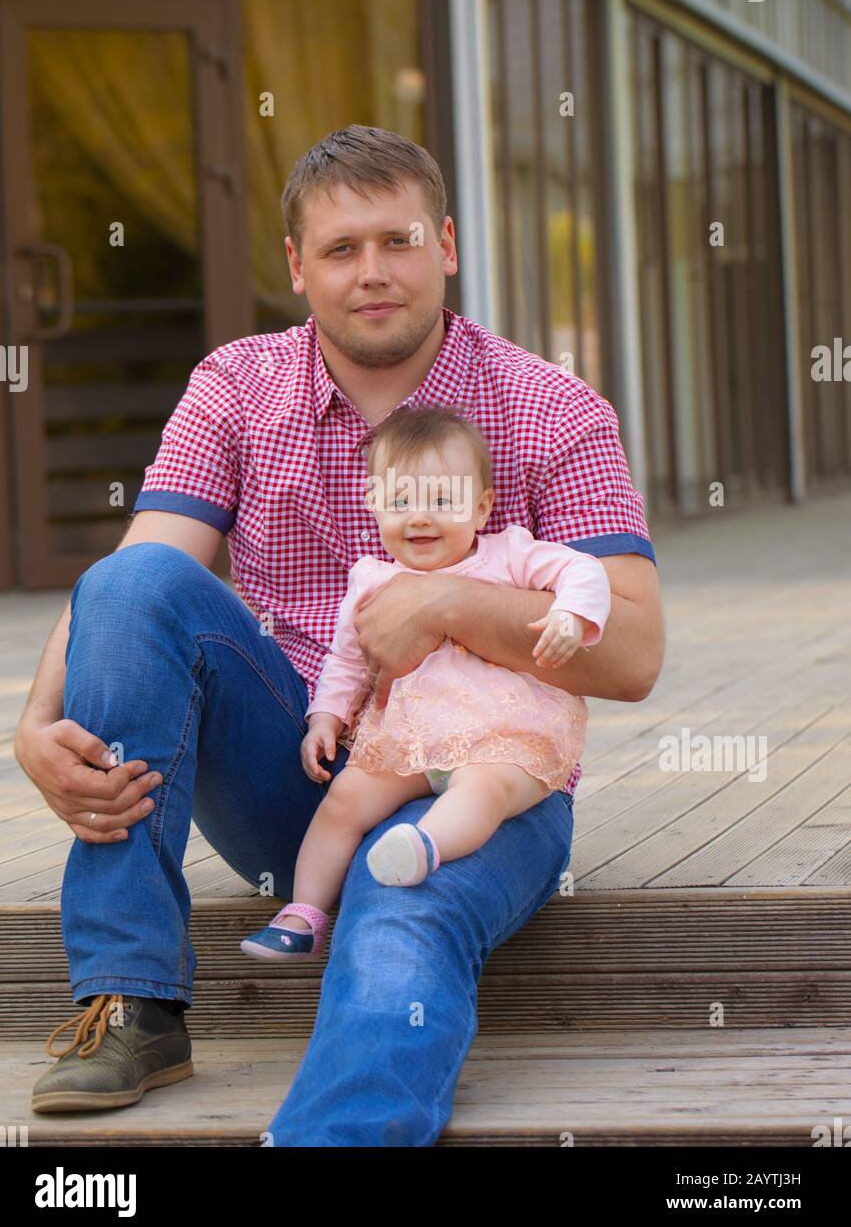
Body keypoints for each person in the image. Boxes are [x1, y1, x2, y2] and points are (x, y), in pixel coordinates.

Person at [14, 123, 664, 1144]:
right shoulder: (235, 385)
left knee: (399, 919)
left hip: (480, 785)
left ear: (445, 244)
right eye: (340, 249)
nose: (373, 272)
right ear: (295, 265)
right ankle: (132, 998)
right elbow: (140, 572)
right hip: (301, 770)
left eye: (397, 240)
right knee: (135, 580)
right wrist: (33, 720)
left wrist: (450, 604)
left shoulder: (550, 409)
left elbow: (631, 654)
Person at [240, 405, 612, 960]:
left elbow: (583, 569)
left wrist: (570, 615)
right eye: (401, 502)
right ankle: (305, 913)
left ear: (481, 506)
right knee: (343, 800)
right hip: (409, 740)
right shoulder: (372, 579)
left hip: (503, 735)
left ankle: (426, 845)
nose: (420, 518)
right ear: (374, 505)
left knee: (482, 789)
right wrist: (325, 717)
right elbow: (346, 659)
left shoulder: (507, 555)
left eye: (443, 501)